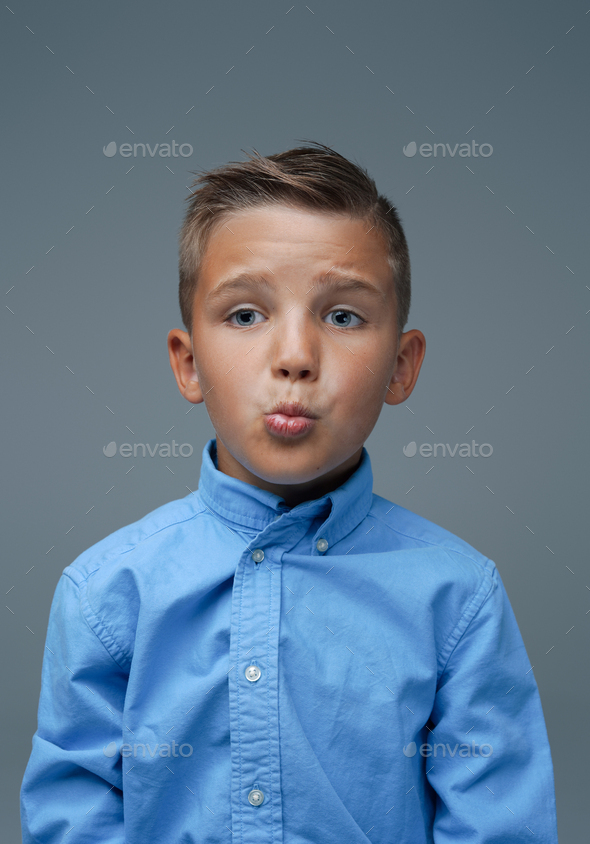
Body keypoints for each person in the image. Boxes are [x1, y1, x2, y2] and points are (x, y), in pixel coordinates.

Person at [21, 141, 558, 843]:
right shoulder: (104, 595)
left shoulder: (458, 599)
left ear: (401, 367)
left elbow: (500, 827)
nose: (296, 357)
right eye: (246, 315)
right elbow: (73, 821)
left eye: (343, 316)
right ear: (188, 364)